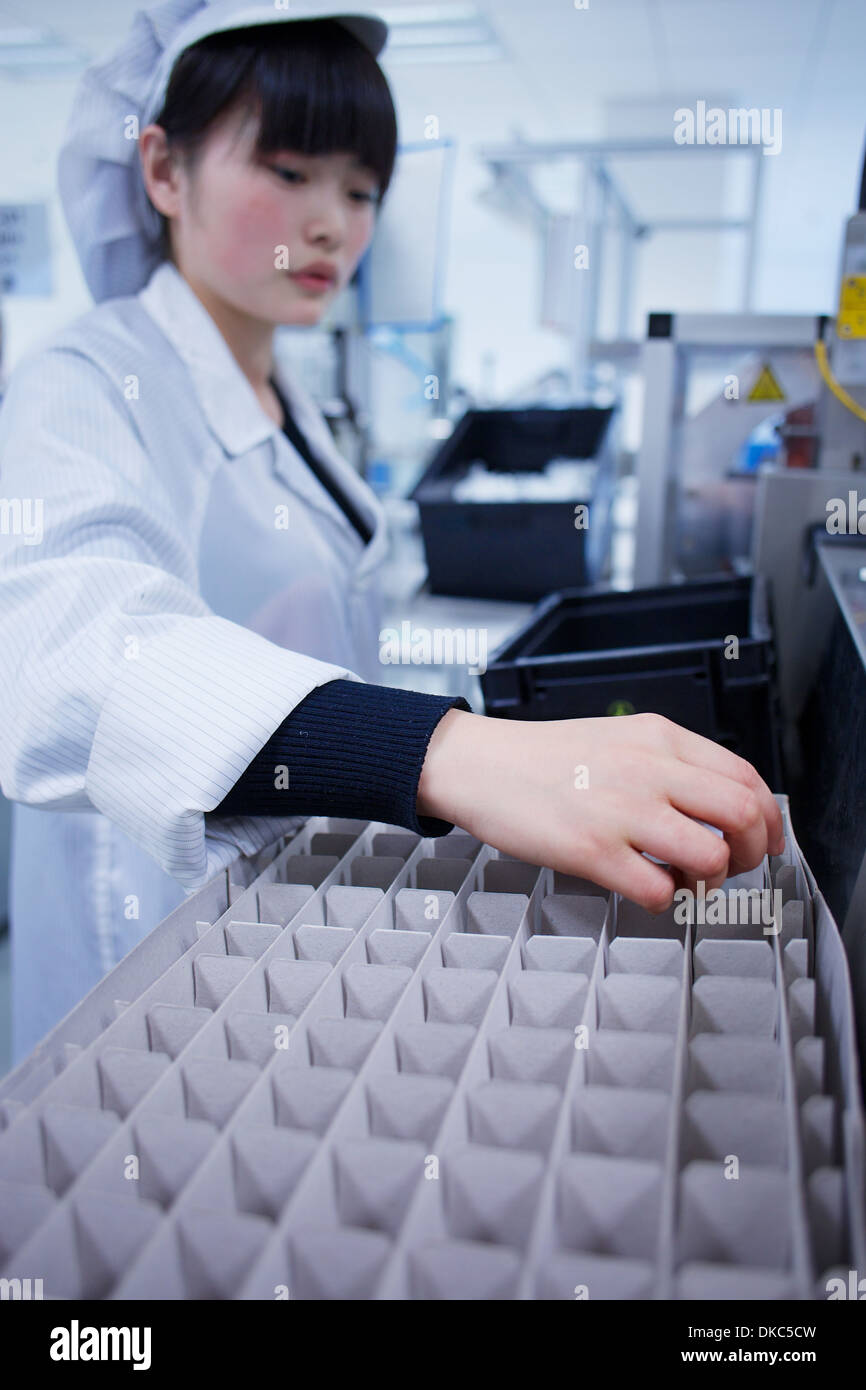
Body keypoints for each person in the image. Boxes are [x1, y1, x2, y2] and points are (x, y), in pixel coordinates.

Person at [0, 1, 783, 1064]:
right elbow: (62, 644)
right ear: (162, 170)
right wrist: (446, 752)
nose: (332, 223)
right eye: (287, 170)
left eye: (361, 189)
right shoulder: (80, 381)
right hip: (143, 951)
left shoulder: (293, 395)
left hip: (284, 921)